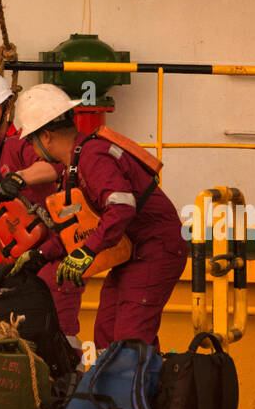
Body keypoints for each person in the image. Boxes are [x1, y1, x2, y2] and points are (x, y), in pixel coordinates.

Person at [15, 83, 187, 350]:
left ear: (46, 136)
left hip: (155, 248)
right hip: (134, 251)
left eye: (31, 141)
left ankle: (134, 388)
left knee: (130, 340)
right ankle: (133, 388)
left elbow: (122, 207)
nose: (33, 151)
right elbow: (82, 225)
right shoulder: (77, 162)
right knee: (107, 332)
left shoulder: (92, 157)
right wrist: (40, 256)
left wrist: (87, 252)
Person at [0, 79, 83, 346]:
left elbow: (55, 167)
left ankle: (72, 384)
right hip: (18, 274)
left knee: (60, 337)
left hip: (53, 259)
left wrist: (19, 179)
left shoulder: (17, 146)